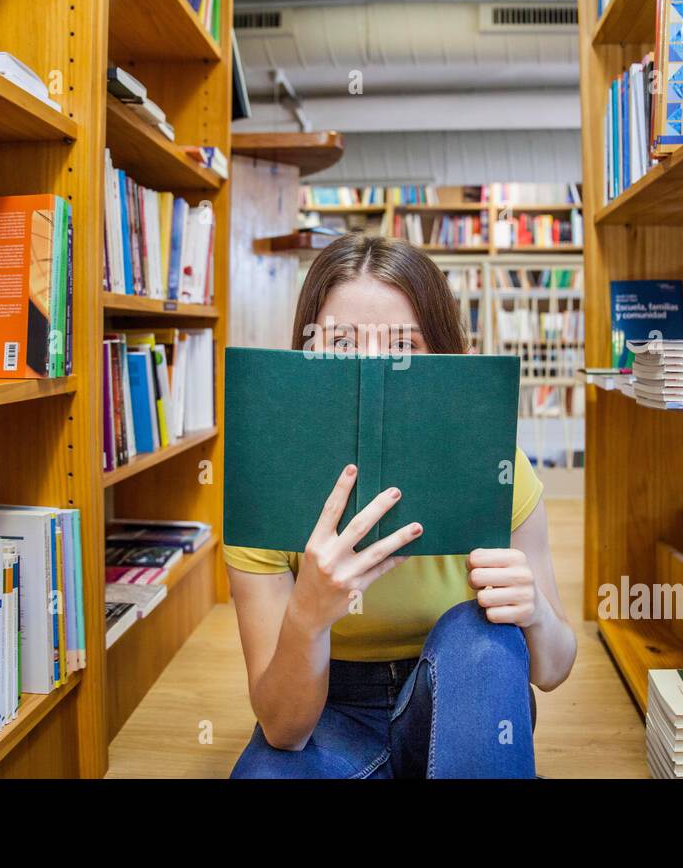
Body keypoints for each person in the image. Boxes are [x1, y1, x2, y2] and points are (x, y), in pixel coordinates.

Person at [224, 234, 577, 778]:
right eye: (341, 346)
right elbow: (283, 728)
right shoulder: (264, 480)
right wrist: (307, 616)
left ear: (444, 357)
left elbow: (553, 669)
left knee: (479, 636)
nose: (374, 371)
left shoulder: (501, 467)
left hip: (461, 698)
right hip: (326, 710)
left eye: (404, 347)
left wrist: (534, 614)